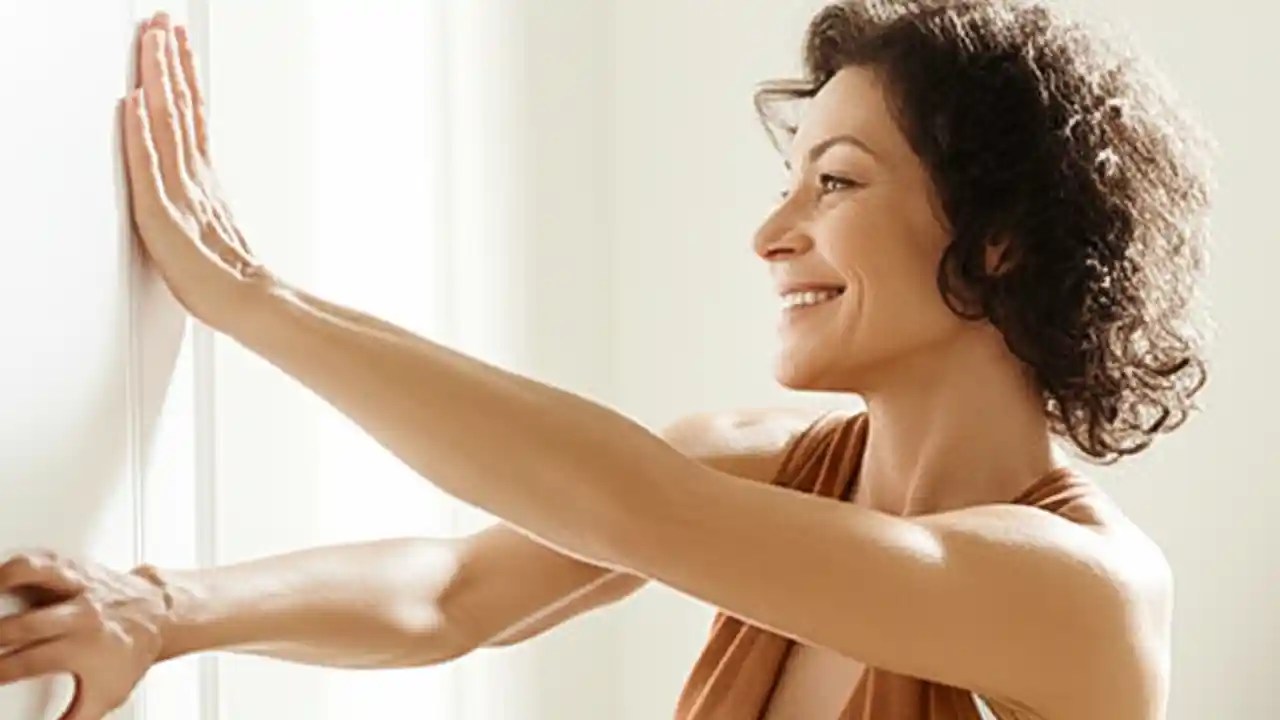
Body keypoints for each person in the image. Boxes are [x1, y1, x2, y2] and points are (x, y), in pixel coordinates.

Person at [0, 1, 1212, 718]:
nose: (769, 233)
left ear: (999, 239)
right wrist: (158, 615)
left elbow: (628, 505)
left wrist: (250, 298)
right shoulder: (755, 468)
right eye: (784, 182)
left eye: (834, 182)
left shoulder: (1081, 593)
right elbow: (448, 593)